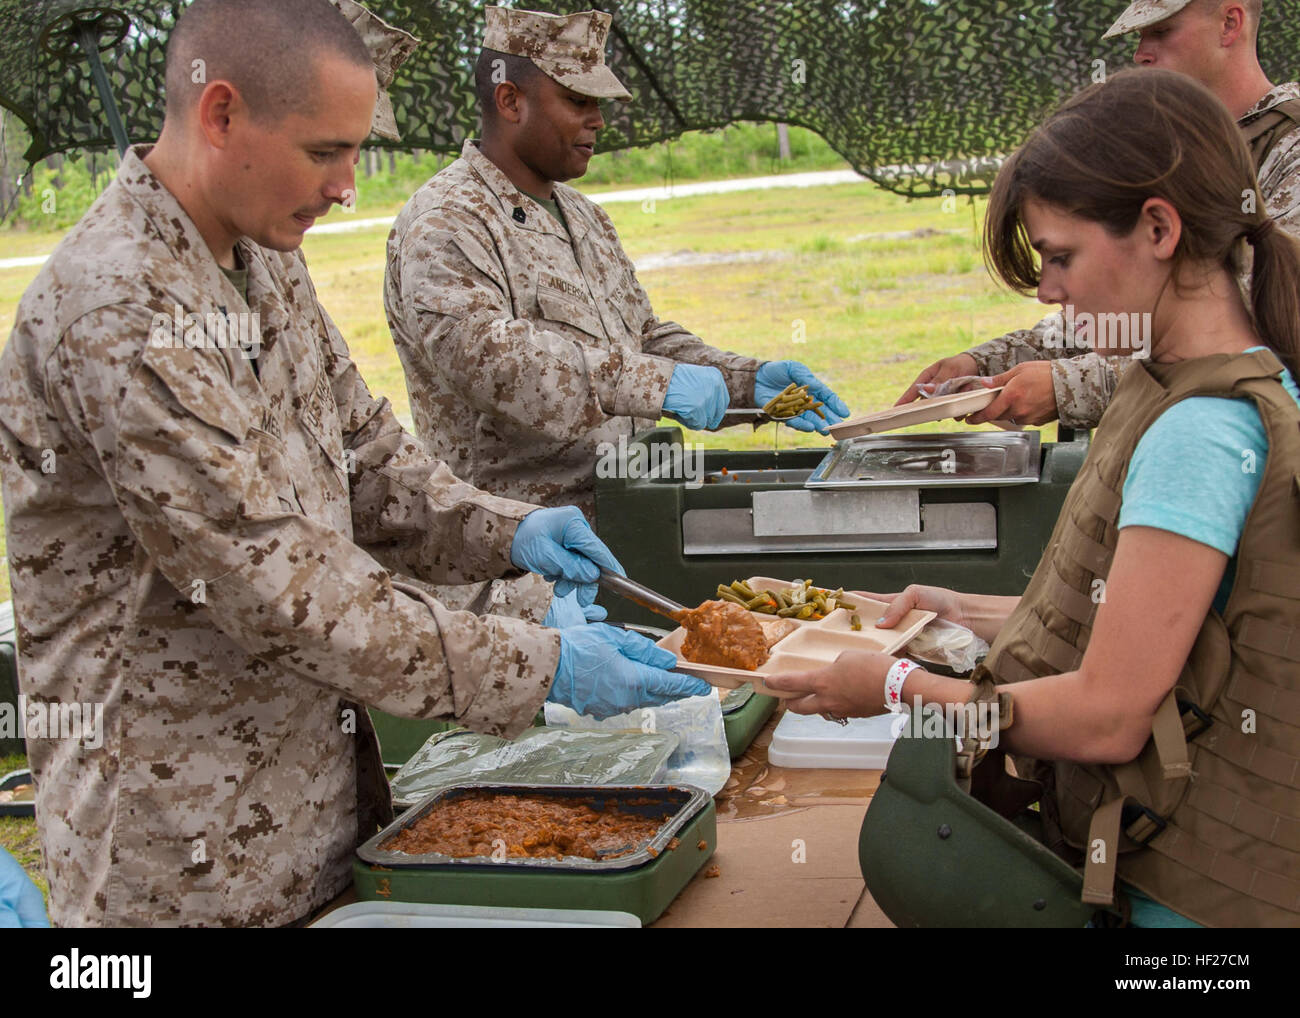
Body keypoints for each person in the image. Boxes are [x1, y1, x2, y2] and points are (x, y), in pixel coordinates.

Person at [0, 0, 704, 928]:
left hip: (316, 803)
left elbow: (364, 449)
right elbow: (278, 588)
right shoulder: (121, 313)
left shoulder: (258, 252)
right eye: (326, 151)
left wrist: (505, 529)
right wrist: (538, 667)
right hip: (181, 855)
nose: (347, 186)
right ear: (221, 115)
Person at [767, 68, 1300, 927]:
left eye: (1061, 256)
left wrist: (897, 686)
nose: (1047, 290)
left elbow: (1108, 718)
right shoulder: (1171, 385)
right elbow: (1150, 629)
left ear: (1158, 227)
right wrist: (957, 611)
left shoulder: (1203, 432)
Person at [384, 6, 849, 517]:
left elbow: (643, 339)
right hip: (518, 556)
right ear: (510, 99)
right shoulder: (447, 220)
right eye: (578, 101)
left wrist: (745, 382)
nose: (598, 121)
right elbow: (492, 363)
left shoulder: (584, 217)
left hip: (626, 518)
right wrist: (660, 385)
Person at [896, 0, 1300, 432]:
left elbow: (1244, 332)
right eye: (1139, 37)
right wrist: (988, 363)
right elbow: (1128, 310)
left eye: (1161, 32)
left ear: (1229, 23)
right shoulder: (1178, 151)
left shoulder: (1288, 150)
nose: (1140, 53)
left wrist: (1066, 386)